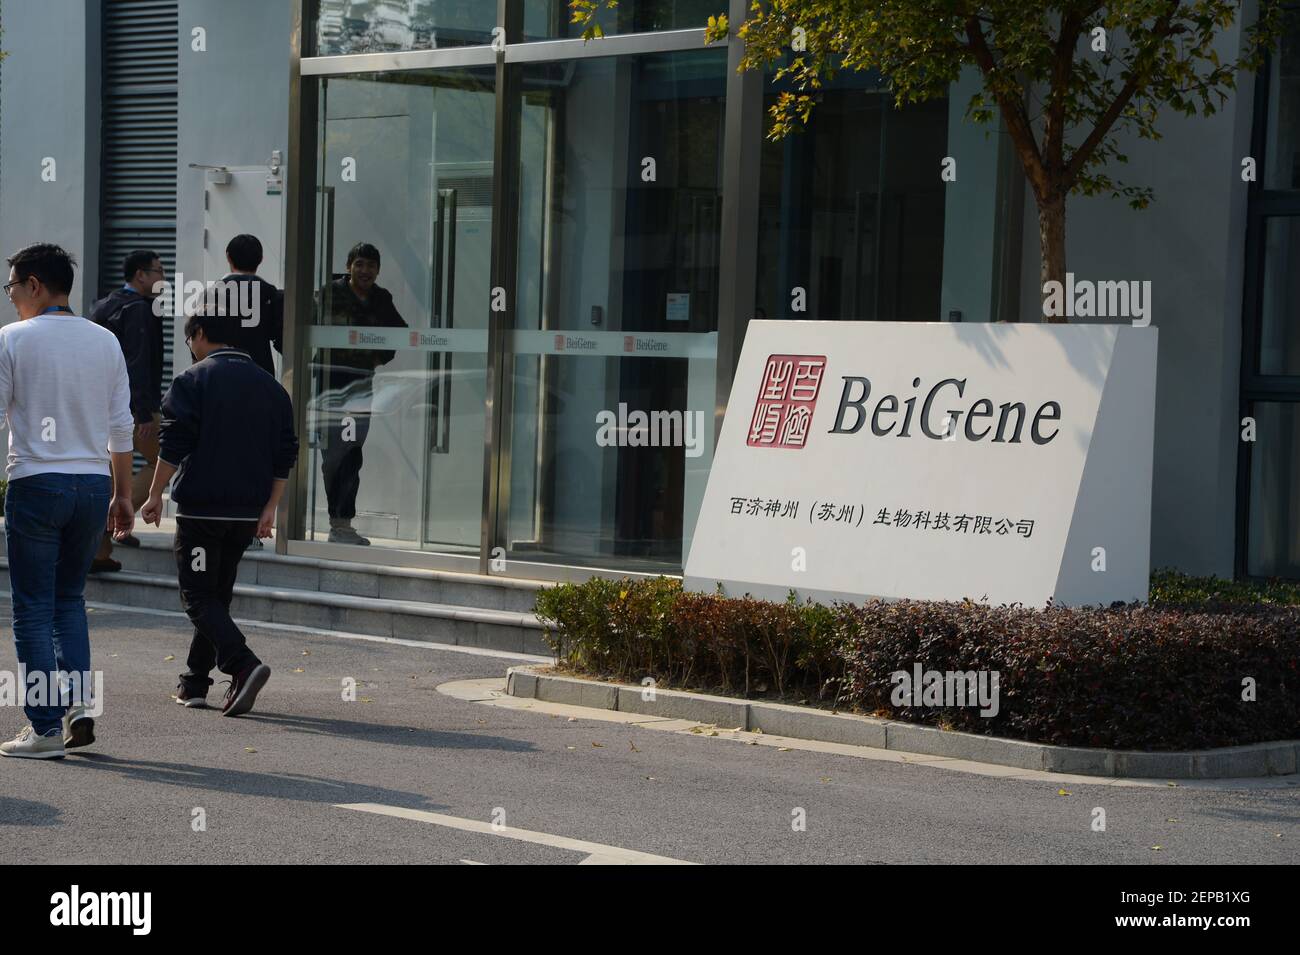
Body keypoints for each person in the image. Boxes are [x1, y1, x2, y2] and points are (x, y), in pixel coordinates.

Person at [0, 243, 135, 759]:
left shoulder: (12, 339)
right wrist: (123, 494)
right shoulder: (105, 340)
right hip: (92, 485)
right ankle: (77, 705)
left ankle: (44, 729)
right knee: (69, 601)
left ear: (34, 285)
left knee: (33, 609)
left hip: (37, 484)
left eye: (12, 287)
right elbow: (121, 426)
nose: (11, 297)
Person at [141, 308, 297, 716]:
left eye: (189, 339)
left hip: (203, 512)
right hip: (246, 514)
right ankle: (194, 682)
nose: (190, 347)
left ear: (200, 334)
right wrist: (270, 508)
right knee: (216, 597)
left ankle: (243, 664)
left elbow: (173, 444)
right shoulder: (272, 387)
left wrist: (155, 494)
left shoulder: (192, 380)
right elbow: (285, 454)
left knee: (196, 596)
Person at [313, 242, 406, 545]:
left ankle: (342, 525)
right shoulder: (330, 293)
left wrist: (376, 358)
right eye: (360, 264)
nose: (365, 271)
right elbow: (304, 329)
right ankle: (337, 523)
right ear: (349, 266)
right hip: (330, 385)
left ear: (378, 270)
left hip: (361, 386)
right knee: (333, 455)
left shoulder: (381, 298)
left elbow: (399, 333)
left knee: (352, 453)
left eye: (371, 265)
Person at [87, 249, 167, 570]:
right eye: (158, 271)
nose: (163, 278)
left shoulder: (104, 306)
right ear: (140, 275)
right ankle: (115, 518)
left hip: (97, 404)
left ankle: (100, 552)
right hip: (131, 407)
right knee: (166, 461)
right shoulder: (138, 310)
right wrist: (144, 412)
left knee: (108, 469)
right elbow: (137, 363)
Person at [217, 233, 284, 379]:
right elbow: (284, 342)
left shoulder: (212, 294)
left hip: (221, 374)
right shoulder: (272, 295)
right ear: (261, 259)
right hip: (261, 374)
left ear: (228, 257)